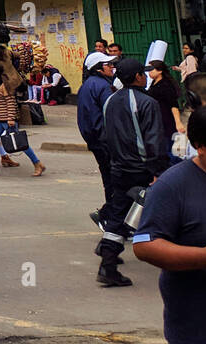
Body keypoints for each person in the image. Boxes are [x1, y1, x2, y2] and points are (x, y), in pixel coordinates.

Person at [133, 101, 206, 344]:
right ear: (199, 145)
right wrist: (205, 258)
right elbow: (145, 245)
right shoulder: (173, 186)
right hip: (203, 341)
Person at [97, 58, 168, 287]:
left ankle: (108, 259)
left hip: (119, 168)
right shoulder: (147, 102)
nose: (146, 75)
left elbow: (105, 137)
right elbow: (154, 140)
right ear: (138, 76)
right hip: (142, 169)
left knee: (118, 213)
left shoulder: (110, 101)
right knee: (164, 211)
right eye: (143, 73)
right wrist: (159, 170)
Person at [0, 62, 45, 177]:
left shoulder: (5, 84)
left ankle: (38, 164)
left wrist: (11, 118)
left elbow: (10, 102)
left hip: (7, 119)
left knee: (21, 144)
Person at [78, 51, 120, 227]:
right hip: (105, 140)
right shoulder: (102, 86)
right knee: (115, 181)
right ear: (98, 69)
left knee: (109, 179)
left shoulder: (87, 85)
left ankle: (109, 216)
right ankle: (109, 217)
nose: (112, 67)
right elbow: (112, 111)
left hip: (95, 140)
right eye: (108, 65)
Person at [147, 60, 183, 167]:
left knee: (172, 147)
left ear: (160, 71)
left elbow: (173, 104)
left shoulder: (166, 85)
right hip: (159, 119)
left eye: (151, 69)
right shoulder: (154, 83)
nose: (148, 72)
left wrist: (178, 122)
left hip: (167, 119)